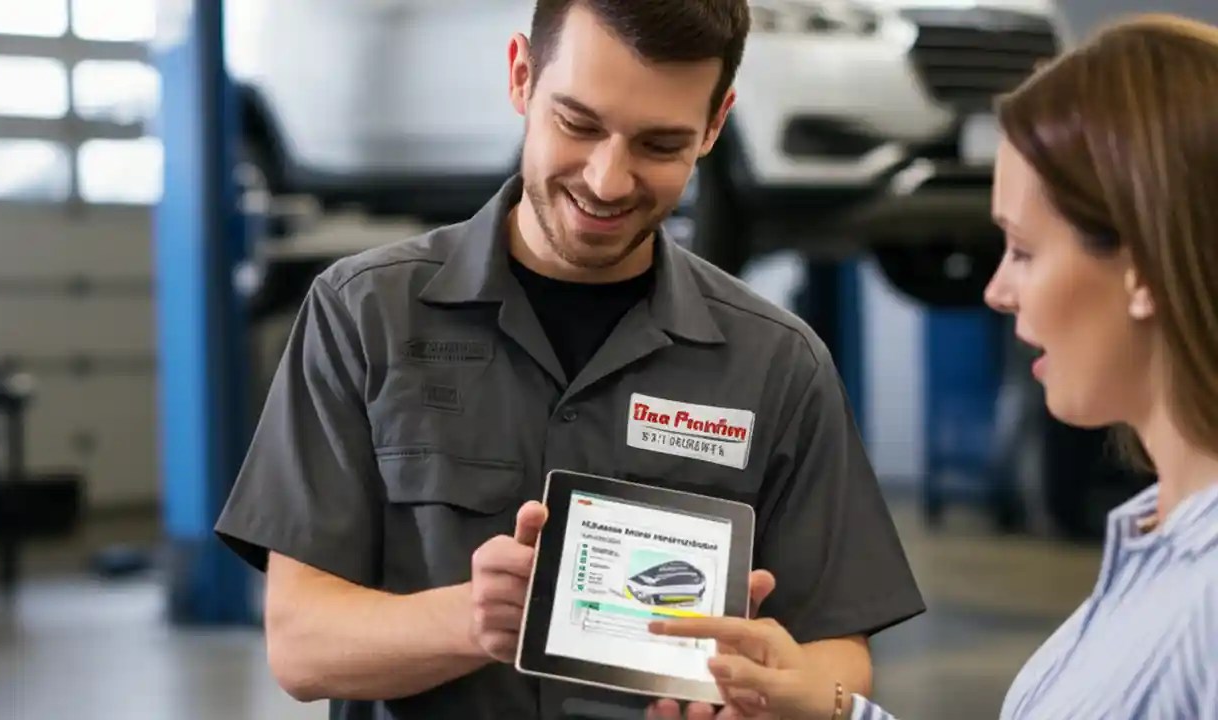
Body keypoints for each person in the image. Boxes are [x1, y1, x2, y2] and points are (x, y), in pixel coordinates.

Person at [214, 1, 927, 719]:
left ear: (715, 125)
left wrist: (783, 699)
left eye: (659, 145)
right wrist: (470, 620)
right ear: (522, 76)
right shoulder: (364, 316)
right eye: (578, 125)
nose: (608, 181)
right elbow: (301, 644)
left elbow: (841, 660)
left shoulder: (778, 365)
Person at [646, 12, 1218, 720]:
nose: (996, 289)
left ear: (1142, 267)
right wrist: (831, 713)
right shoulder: (1154, 539)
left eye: (1026, 251)